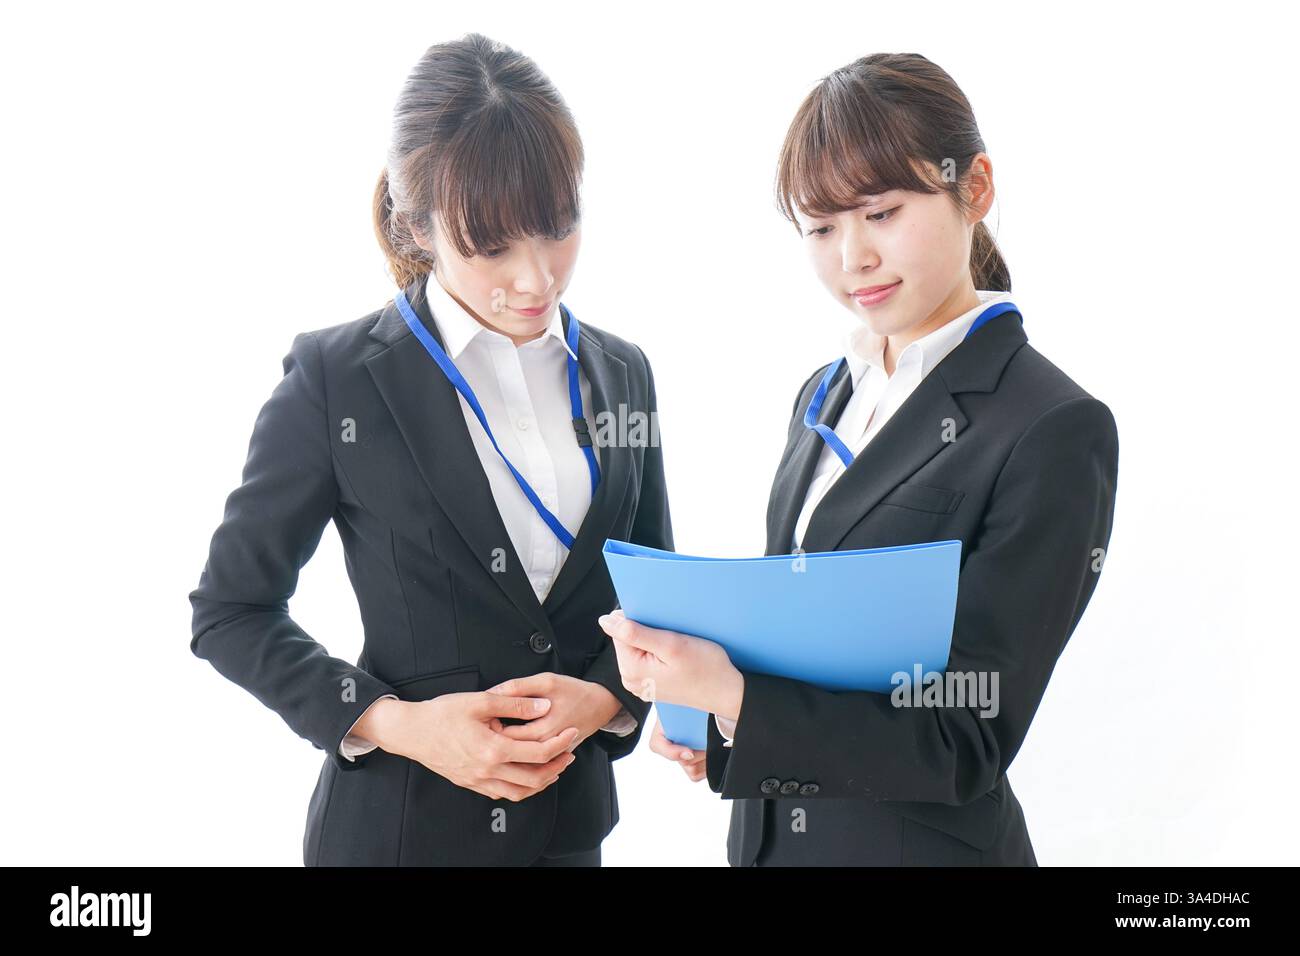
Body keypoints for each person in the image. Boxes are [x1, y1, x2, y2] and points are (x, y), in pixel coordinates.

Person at [600, 52, 1118, 866]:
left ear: (973, 187)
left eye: (880, 213)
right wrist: (724, 726)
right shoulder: (825, 393)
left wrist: (732, 693)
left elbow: (965, 736)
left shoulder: (1051, 427)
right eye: (821, 227)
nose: (853, 259)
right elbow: (805, 640)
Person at [189, 33, 671, 867]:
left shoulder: (621, 372)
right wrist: (399, 725)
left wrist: (605, 698)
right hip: (397, 836)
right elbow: (230, 612)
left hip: (569, 836)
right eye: (492, 247)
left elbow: (657, 588)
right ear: (418, 227)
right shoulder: (337, 377)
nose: (536, 280)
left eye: (557, 229)